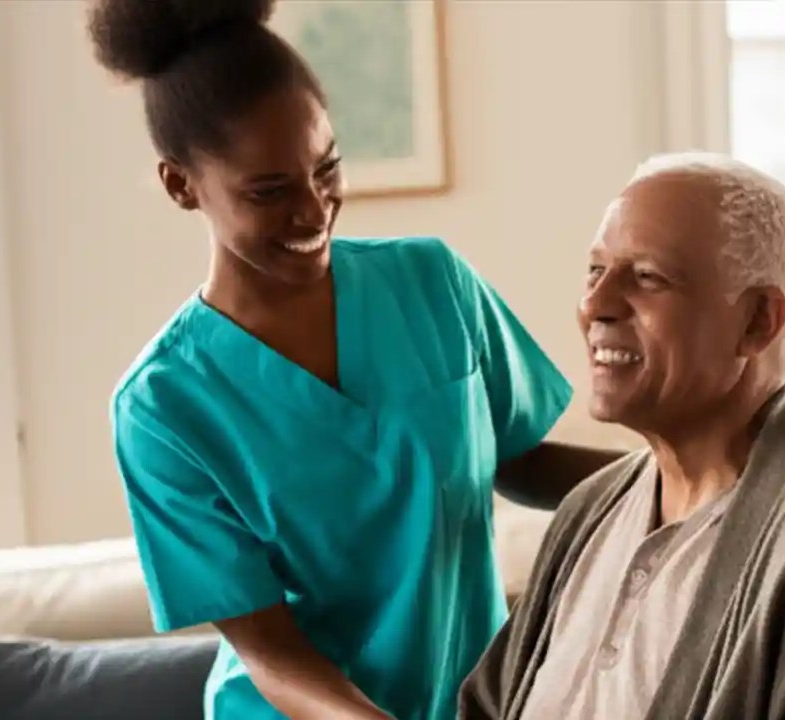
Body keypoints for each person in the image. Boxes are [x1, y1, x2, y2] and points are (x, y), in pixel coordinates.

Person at [90, 1, 616, 718]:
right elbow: (268, 650)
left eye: (326, 168)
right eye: (269, 192)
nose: (314, 210)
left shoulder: (433, 284)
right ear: (182, 185)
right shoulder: (162, 407)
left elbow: (518, 458)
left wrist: (701, 475)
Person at [459, 153, 785, 719]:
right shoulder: (590, 511)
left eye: (648, 277)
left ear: (757, 322)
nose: (595, 306)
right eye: (596, 271)